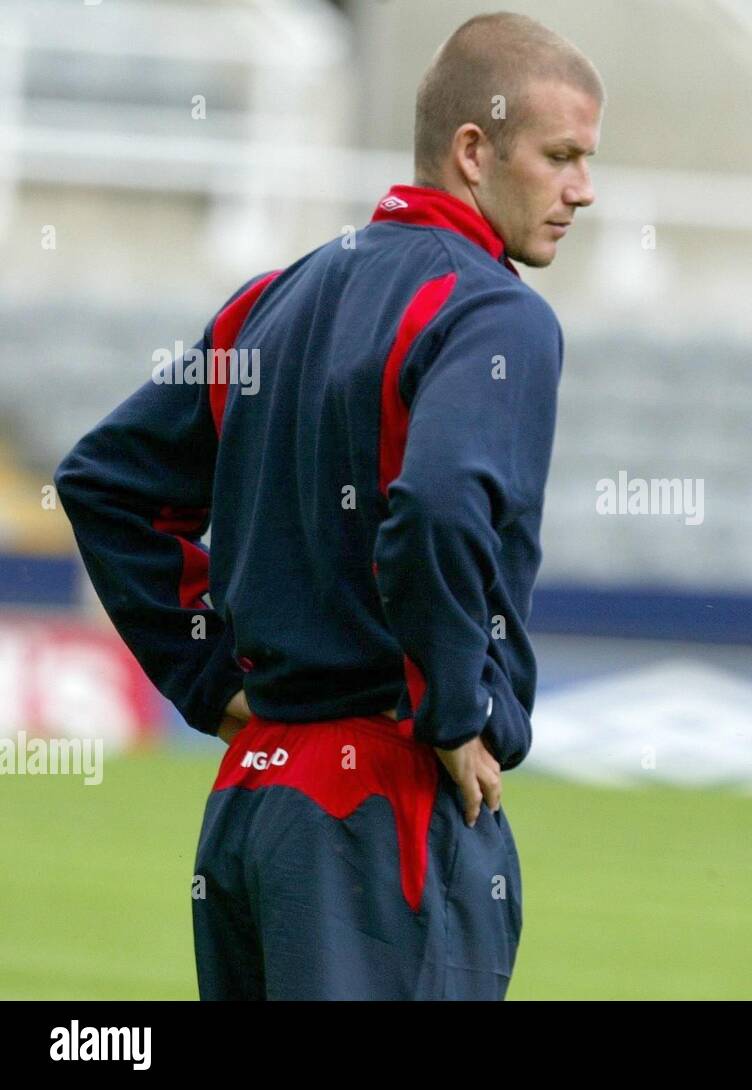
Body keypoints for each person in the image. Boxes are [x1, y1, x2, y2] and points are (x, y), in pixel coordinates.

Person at [54, 12, 602, 1000]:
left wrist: (208, 675)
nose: (582, 190)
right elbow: (435, 504)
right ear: (473, 151)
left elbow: (103, 483)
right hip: (380, 803)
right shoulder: (494, 311)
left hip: (250, 801)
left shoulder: (275, 297)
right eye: (560, 156)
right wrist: (454, 707)